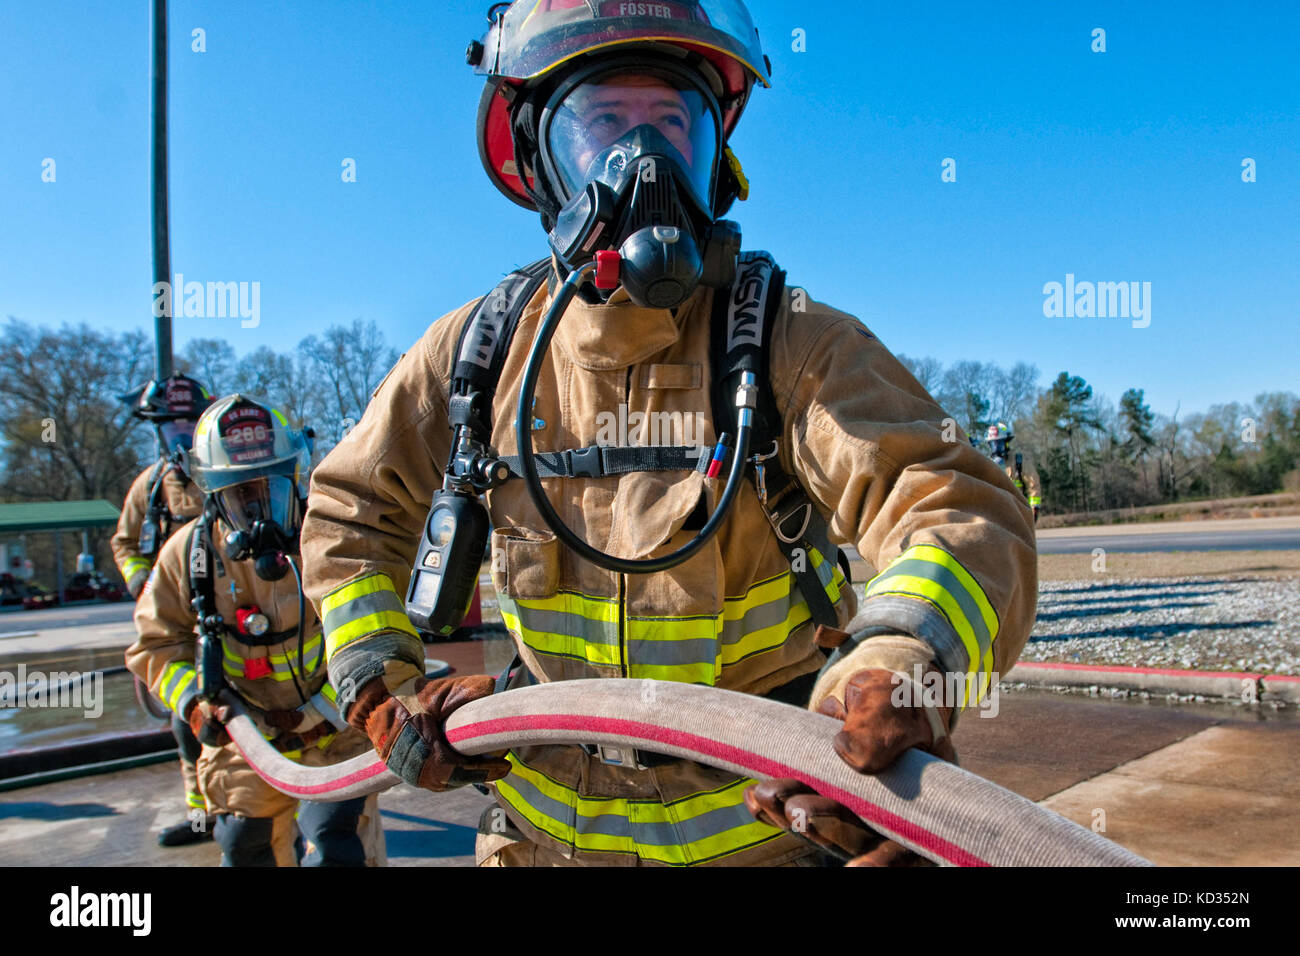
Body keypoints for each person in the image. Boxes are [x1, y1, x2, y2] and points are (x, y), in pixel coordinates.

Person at [300, 0, 1037, 867]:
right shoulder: (476, 356)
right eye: (604, 125)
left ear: (712, 158)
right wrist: (385, 691)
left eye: (668, 126)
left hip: (760, 843)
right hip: (540, 838)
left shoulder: (790, 345)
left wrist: (899, 666)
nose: (642, 167)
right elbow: (349, 516)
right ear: (541, 164)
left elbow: (956, 509)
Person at [126, 395, 386, 867]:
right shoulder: (189, 557)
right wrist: (193, 702)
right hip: (245, 741)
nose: (260, 508)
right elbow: (156, 643)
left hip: (337, 732)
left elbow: (373, 630)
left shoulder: (332, 540)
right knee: (246, 847)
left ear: (295, 479)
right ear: (212, 493)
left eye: (271, 488)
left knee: (338, 846)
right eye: (241, 493)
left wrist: (340, 703)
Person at [112, 372, 213, 846]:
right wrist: (143, 585)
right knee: (187, 721)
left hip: (233, 620)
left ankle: (266, 815)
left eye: (187, 424)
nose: (179, 435)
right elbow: (125, 542)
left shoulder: (221, 472)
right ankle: (204, 815)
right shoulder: (149, 487)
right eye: (169, 426)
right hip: (179, 626)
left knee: (256, 713)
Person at [986, 422, 1043, 523]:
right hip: (994, 513)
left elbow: (1033, 483)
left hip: (1017, 511)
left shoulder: (1018, 461)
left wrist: (1034, 507)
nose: (996, 448)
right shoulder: (987, 464)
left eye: (999, 443)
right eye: (993, 444)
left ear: (1006, 442)